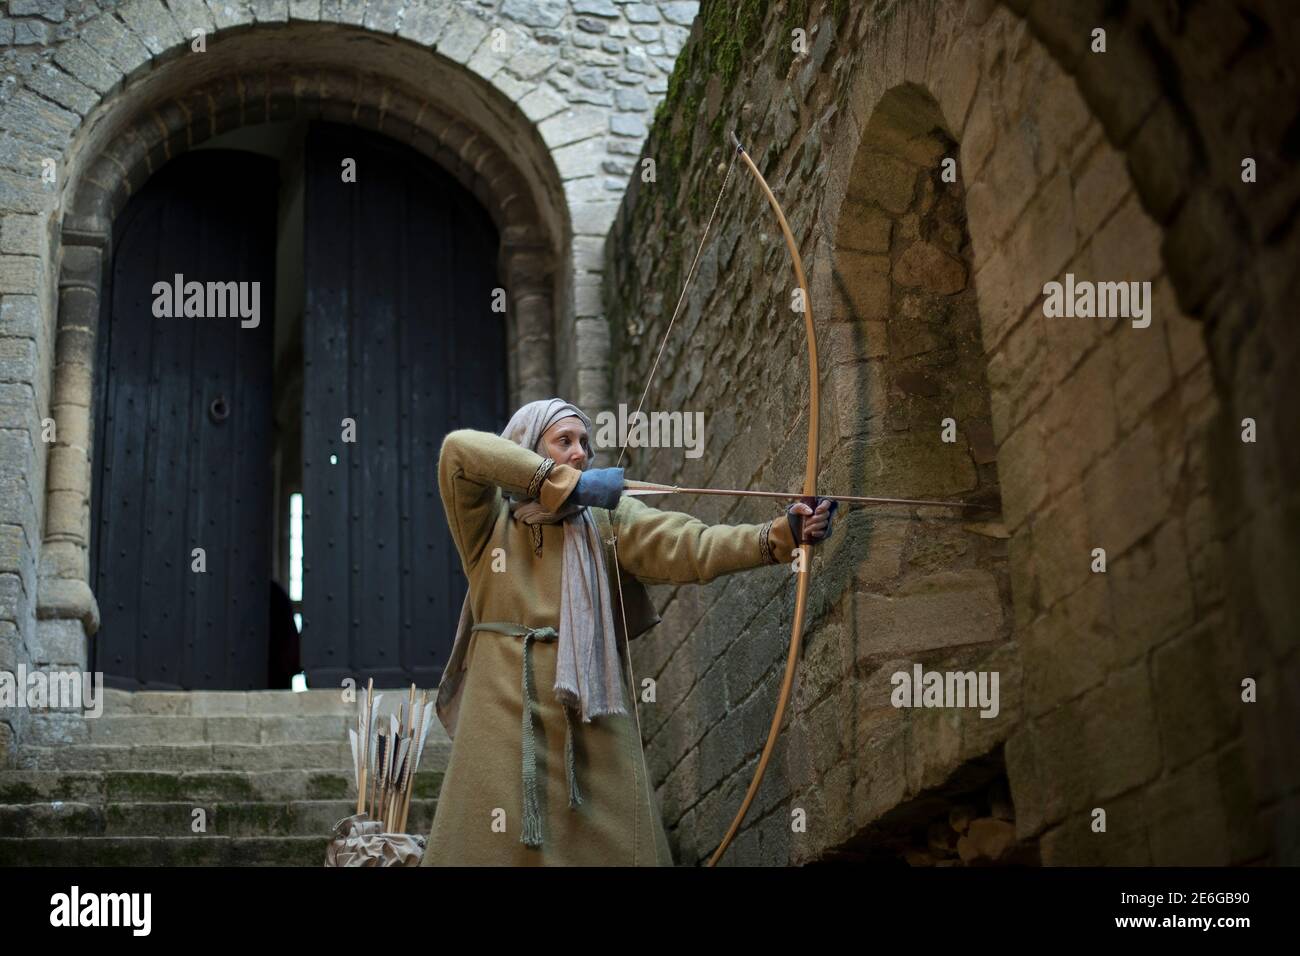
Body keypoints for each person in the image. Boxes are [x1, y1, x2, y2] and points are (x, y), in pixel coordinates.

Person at [420, 398, 836, 866]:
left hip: (589, 710)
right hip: (500, 714)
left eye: (584, 444)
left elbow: (689, 546)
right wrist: (558, 483)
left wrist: (781, 534)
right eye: (564, 442)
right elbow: (458, 451)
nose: (580, 453)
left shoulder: (604, 519)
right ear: (527, 448)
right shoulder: (489, 526)